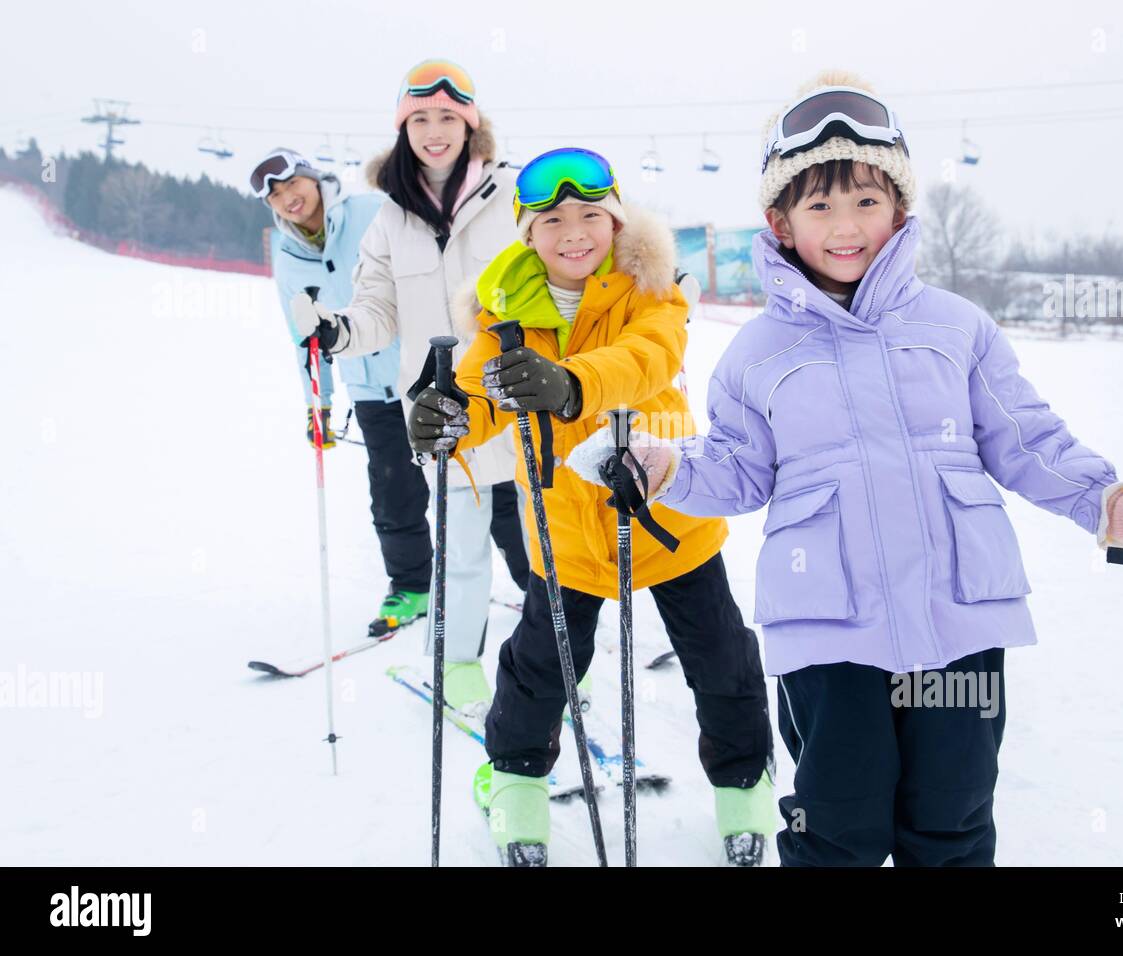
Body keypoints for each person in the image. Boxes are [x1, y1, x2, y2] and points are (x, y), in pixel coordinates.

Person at [568, 71, 1123, 867]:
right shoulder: (757, 354)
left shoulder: (955, 328)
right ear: (780, 222)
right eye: (819, 205)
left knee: (952, 821)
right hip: (831, 641)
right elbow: (739, 471)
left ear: (898, 208)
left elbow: (1025, 438)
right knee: (837, 828)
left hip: (957, 627)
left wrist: (1112, 499)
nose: (846, 225)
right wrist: (659, 467)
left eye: (866, 199)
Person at [405, 147, 776, 866]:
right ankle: (514, 787)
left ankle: (743, 784)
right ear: (528, 235)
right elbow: (481, 396)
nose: (573, 231)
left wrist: (570, 384)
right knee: (540, 672)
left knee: (721, 659)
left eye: (589, 215)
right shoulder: (505, 316)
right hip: (564, 531)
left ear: (615, 223)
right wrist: (447, 417)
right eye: (552, 220)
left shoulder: (651, 290)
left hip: (666, 513)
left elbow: (649, 358)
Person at [288, 60, 528, 720]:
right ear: (403, 130)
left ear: (470, 125)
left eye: (447, 117)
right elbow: (377, 312)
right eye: (419, 119)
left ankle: (559, 661)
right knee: (462, 545)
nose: (433, 130)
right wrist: (335, 333)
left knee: (544, 541)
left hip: (517, 397)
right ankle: (457, 667)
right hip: (439, 407)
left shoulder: (515, 196)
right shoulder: (390, 219)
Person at [256, 147, 433, 637]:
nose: (287, 198)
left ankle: (533, 582)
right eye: (274, 195)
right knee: (393, 491)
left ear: (314, 178)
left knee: (479, 484)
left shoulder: (370, 211)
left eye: (292, 183)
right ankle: (413, 586)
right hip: (369, 386)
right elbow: (304, 336)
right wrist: (320, 403)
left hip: (425, 372)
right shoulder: (287, 252)